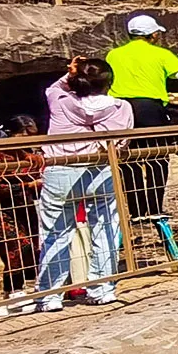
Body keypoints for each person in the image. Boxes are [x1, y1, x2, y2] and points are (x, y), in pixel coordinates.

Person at [33, 57, 130, 311]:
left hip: (61, 169)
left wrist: (69, 74)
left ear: (77, 81)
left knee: (55, 232)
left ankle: (51, 295)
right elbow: (121, 143)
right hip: (100, 169)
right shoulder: (121, 107)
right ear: (109, 82)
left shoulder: (61, 99)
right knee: (105, 228)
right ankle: (103, 289)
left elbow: (53, 88)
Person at [102, 15, 178, 226]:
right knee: (157, 157)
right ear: (153, 35)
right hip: (150, 108)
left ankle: (136, 209)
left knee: (129, 158)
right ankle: (154, 207)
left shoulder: (113, 55)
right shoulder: (161, 54)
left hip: (120, 109)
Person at [0, 116, 42, 315]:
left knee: (32, 244)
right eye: (24, 136)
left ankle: (15, 293)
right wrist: (29, 185)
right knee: (15, 245)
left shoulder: (28, 152)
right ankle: (15, 294)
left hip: (20, 202)